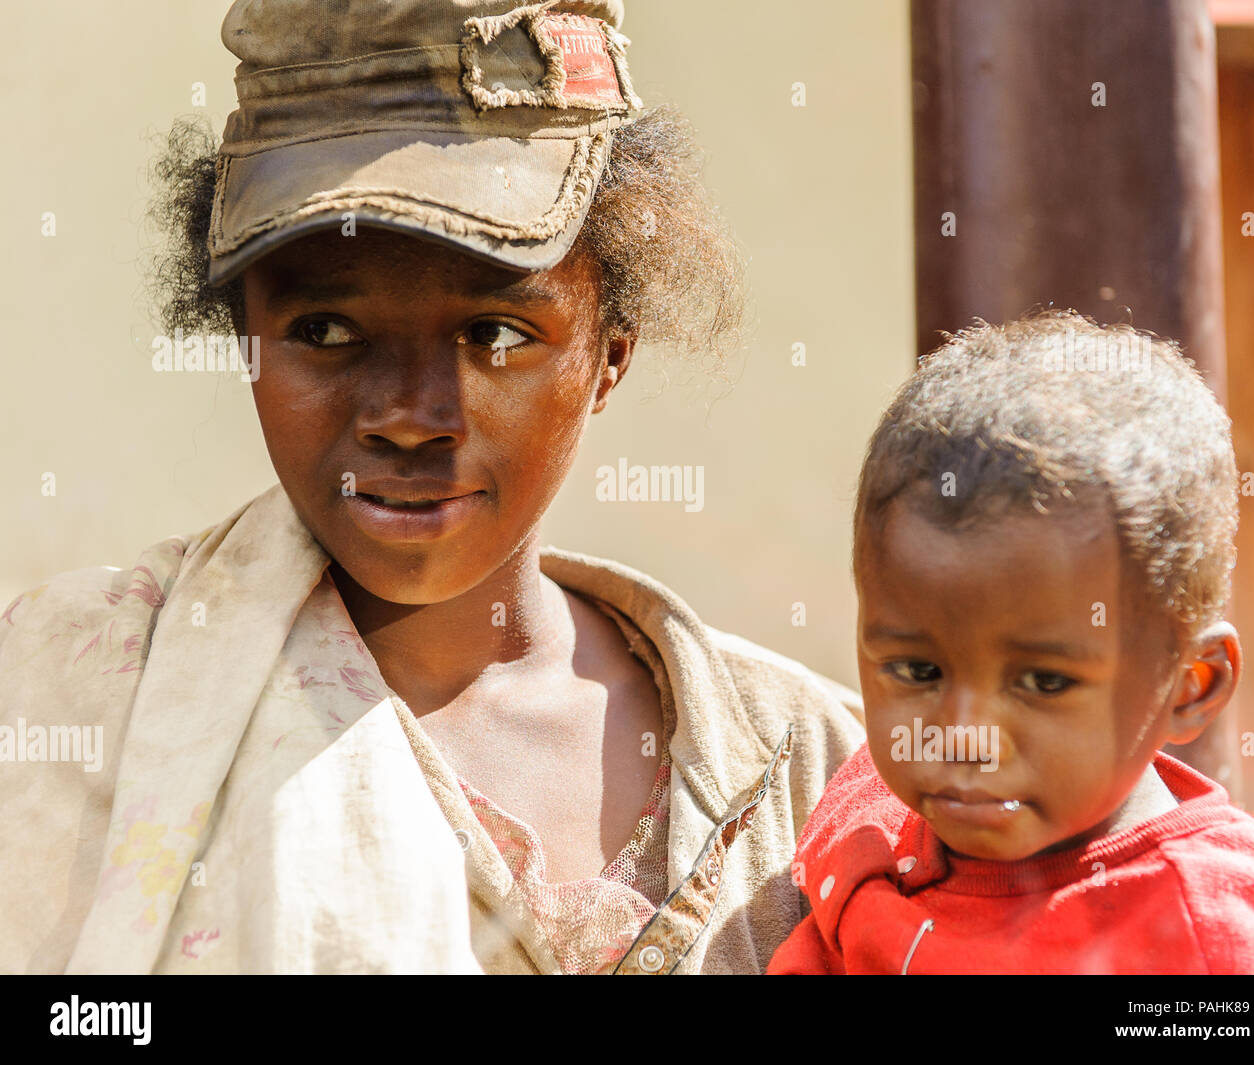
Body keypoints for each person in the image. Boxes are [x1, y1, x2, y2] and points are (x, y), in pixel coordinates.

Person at [0, 0, 863, 974]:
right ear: (241, 331)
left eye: (495, 335)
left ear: (610, 352)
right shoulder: (68, 707)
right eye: (325, 330)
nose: (408, 415)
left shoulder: (825, 775)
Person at [768, 310, 1254, 975]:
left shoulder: (1200, 931)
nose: (963, 736)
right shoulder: (870, 805)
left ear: (1192, 685)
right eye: (916, 669)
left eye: (1045, 682)